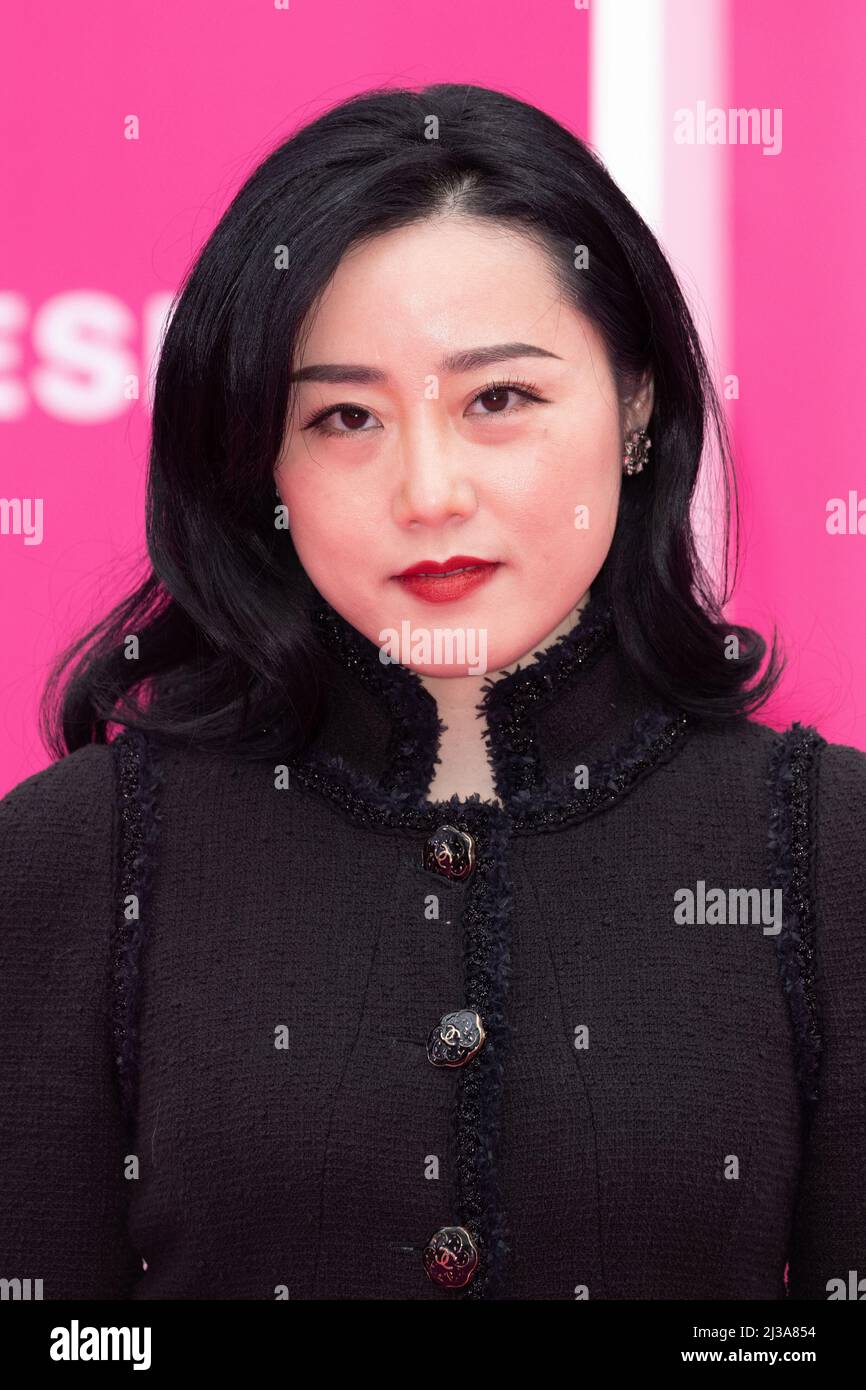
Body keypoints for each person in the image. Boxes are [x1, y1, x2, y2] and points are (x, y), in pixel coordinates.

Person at [1, 83, 864, 1302]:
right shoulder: (72, 856)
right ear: (261, 464)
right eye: (344, 415)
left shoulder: (826, 851)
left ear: (635, 404)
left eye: (497, 399)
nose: (427, 489)